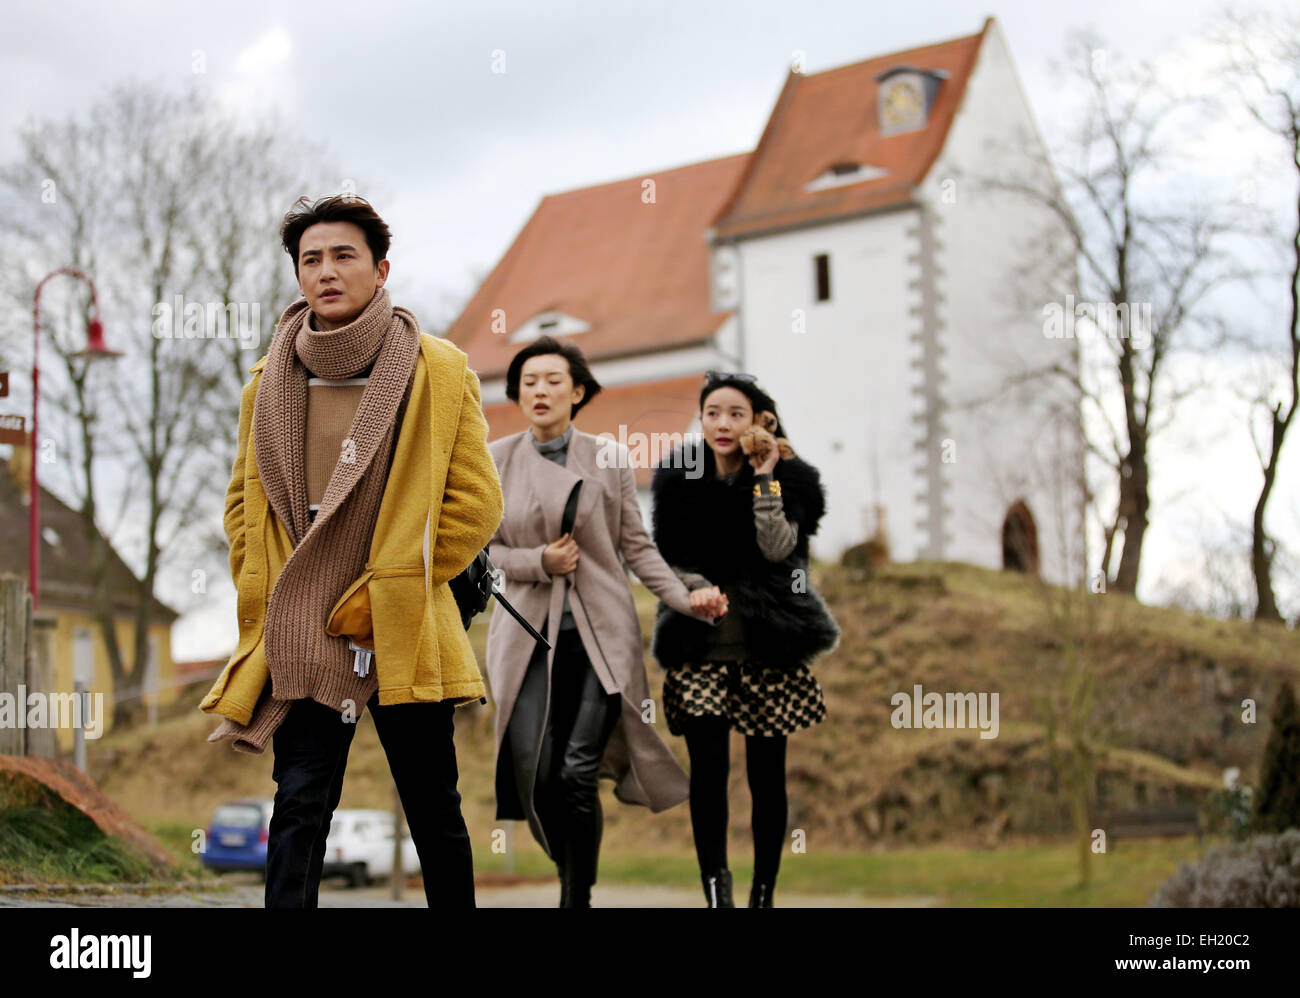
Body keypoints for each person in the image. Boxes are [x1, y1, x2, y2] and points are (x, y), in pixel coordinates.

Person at [200, 194, 503, 908]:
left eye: (344, 256)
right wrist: (263, 582)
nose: (327, 272)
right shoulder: (266, 380)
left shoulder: (441, 369)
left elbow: (476, 502)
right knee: (300, 804)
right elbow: (244, 503)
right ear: (298, 274)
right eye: (312, 259)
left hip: (401, 615)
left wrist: (391, 584)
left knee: (434, 806)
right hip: (307, 618)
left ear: (380, 267)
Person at [484, 336, 728, 907]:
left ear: (578, 391)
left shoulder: (610, 457)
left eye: (552, 380)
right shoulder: (493, 459)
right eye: (528, 382)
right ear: (517, 393)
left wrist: (683, 598)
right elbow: (477, 552)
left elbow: (636, 549)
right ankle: (572, 870)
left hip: (601, 638)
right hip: (526, 638)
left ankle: (577, 896)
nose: (539, 391)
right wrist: (536, 562)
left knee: (576, 771)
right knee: (537, 776)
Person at [650, 371, 839, 908]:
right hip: (699, 644)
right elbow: (667, 558)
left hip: (768, 647)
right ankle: (716, 890)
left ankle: (763, 893)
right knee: (709, 774)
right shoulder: (677, 479)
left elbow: (779, 550)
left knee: (766, 778)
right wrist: (695, 589)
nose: (723, 424)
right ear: (702, 419)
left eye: (736, 413)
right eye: (713, 413)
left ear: (760, 421)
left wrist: (765, 478)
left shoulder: (791, 479)